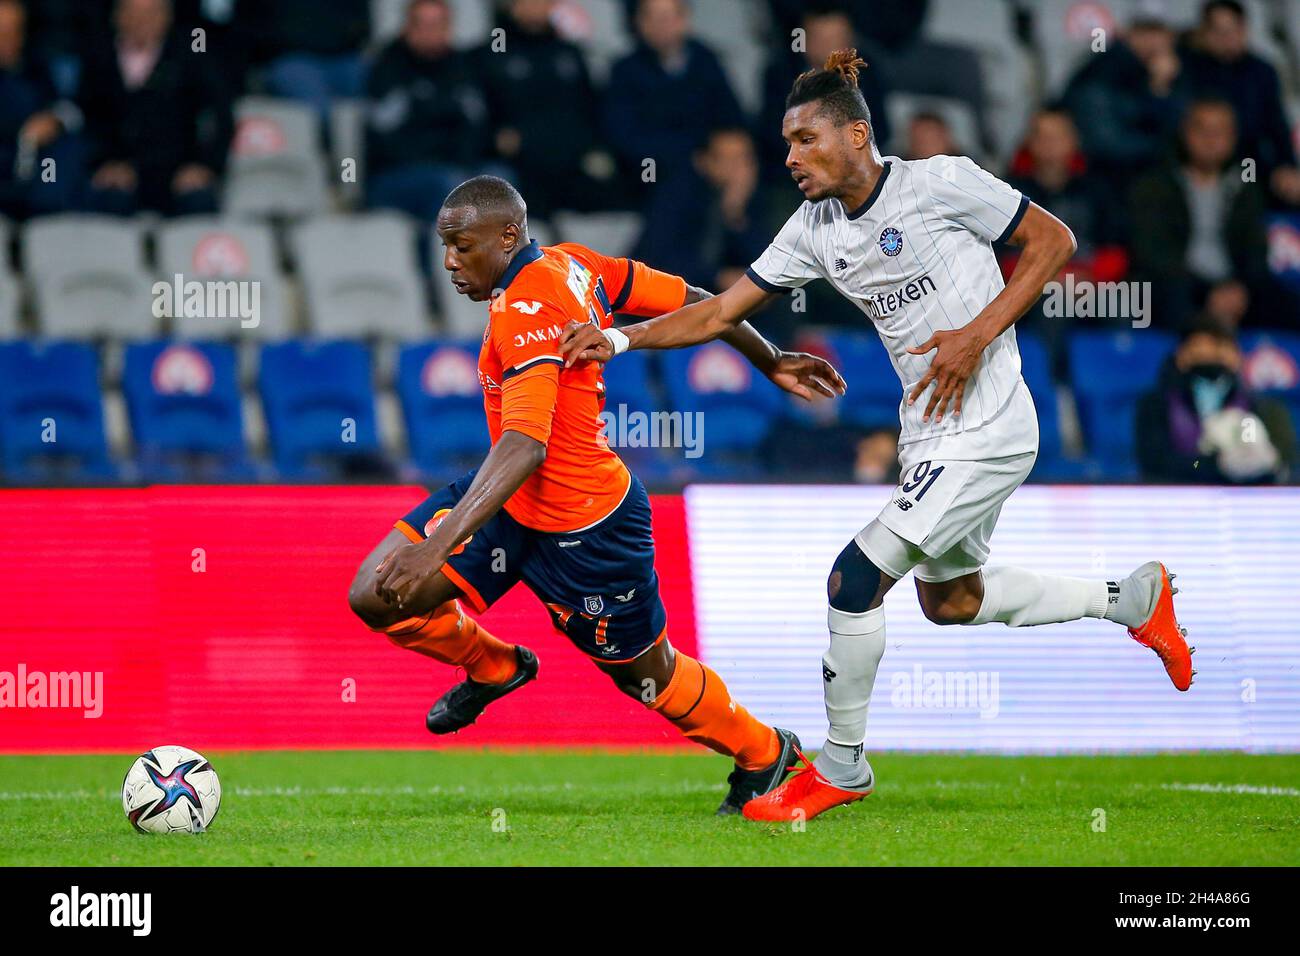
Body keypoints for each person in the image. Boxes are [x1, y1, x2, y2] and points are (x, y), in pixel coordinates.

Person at [560, 50, 1195, 823]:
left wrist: (975, 334)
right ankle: (1129, 598)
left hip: (990, 424)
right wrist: (619, 340)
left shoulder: (941, 181)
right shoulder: (814, 229)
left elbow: (1053, 243)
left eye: (805, 140)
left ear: (857, 134)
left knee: (852, 580)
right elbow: (721, 312)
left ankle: (842, 766)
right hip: (929, 432)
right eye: (786, 144)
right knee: (951, 601)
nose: (791, 158)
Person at [346, 175, 845, 815]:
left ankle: (764, 753)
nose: (448, 261)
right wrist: (768, 355)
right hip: (507, 501)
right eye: (443, 246)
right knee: (376, 594)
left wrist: (436, 547)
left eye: (462, 246)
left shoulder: (527, 306)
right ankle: (496, 666)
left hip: (587, 525)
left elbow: (528, 444)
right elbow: (698, 300)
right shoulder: (575, 263)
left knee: (645, 676)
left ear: (507, 237)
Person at [77, 0, 232, 216]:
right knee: (107, 198)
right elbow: (85, 119)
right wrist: (104, 163)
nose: (142, 21)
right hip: (122, 171)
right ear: (117, 16)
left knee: (199, 200)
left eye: (151, 13)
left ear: (167, 17)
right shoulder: (98, 58)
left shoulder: (193, 57)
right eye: (132, 13)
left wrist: (204, 166)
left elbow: (218, 117)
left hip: (177, 172)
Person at [1129, 98, 1269, 331]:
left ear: (1233, 137)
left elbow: (1256, 250)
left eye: (1220, 131)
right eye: (1202, 129)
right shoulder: (1155, 183)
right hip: (1179, 286)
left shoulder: (1246, 185)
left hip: (1234, 287)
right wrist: (1207, 292)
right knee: (1168, 294)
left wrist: (1240, 288)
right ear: (1185, 132)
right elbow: (1153, 253)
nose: (1211, 139)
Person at [365, 0, 494, 221]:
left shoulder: (463, 68)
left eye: (437, 24)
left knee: (500, 181)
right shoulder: (386, 67)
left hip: (454, 166)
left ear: (449, 28)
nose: (429, 32)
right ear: (407, 27)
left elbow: (476, 128)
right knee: (449, 185)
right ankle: (441, 255)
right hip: (394, 175)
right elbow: (384, 141)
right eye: (421, 24)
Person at [1136, 317, 1295, 484]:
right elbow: (1157, 463)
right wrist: (1215, 464)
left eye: (1219, 350)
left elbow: (1284, 460)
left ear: (1237, 356)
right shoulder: (1157, 406)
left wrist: (1266, 464)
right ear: (1181, 356)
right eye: (1200, 351)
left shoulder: (1265, 409)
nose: (1210, 356)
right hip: (1180, 500)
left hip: (1247, 501)